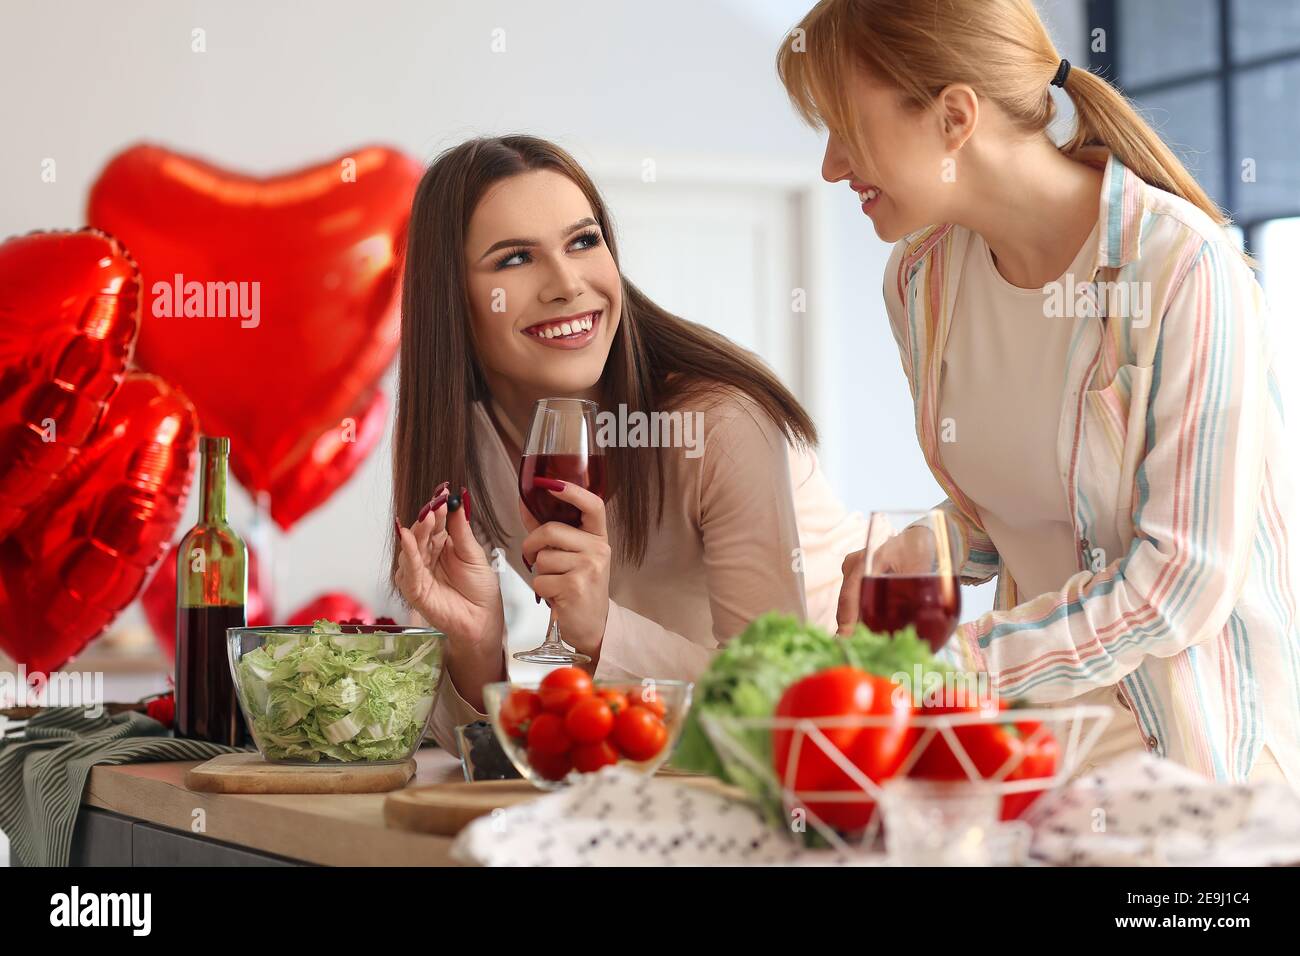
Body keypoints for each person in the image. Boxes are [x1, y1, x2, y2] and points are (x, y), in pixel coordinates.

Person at [777, 0, 1299, 784]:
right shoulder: (922, 282)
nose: (831, 165)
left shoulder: (1181, 269)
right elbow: (1029, 505)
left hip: (1201, 774)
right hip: (1033, 761)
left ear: (954, 117)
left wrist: (955, 663)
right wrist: (934, 546)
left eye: (846, 125)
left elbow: (1182, 582)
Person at [390, 135, 865, 754]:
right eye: (514, 259)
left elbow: (770, 712)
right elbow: (483, 750)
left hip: (824, 763)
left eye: (583, 242)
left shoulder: (721, 423)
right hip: (664, 760)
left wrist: (602, 630)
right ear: (451, 297)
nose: (566, 284)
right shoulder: (468, 434)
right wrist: (476, 643)